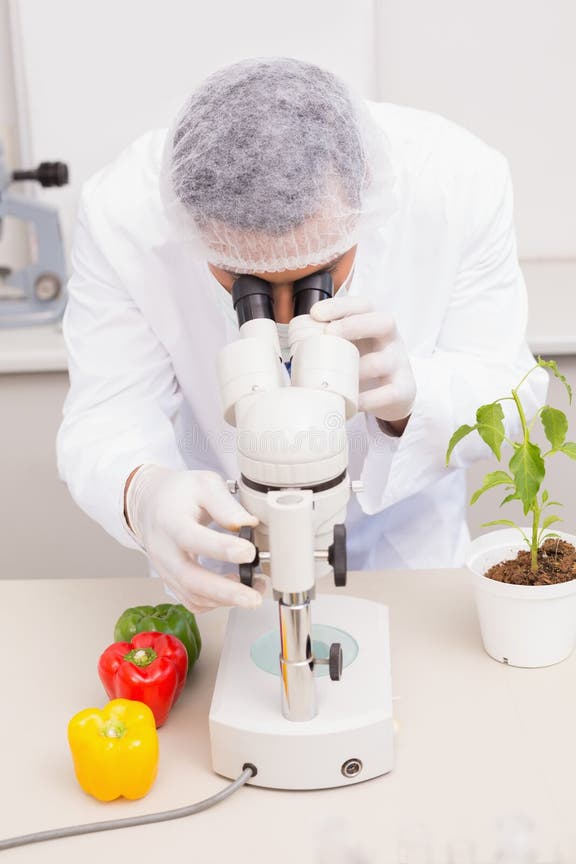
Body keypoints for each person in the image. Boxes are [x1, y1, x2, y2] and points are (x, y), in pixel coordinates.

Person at [57, 57, 546, 613]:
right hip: (226, 557)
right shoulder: (126, 214)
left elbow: (515, 395)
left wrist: (414, 402)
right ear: (191, 231)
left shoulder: (456, 182)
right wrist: (141, 493)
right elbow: (105, 413)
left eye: (318, 274)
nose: (285, 321)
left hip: (408, 563)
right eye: (250, 286)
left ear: (364, 199)